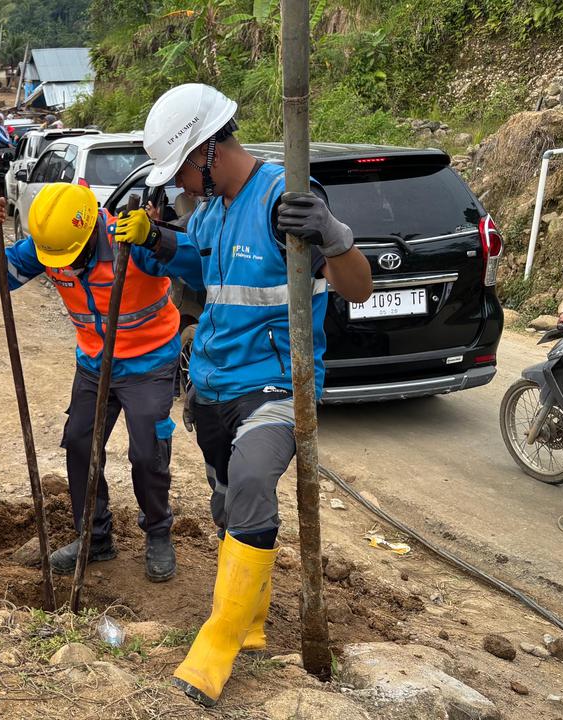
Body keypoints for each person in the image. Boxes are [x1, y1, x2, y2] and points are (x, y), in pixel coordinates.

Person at [126, 83, 372, 706]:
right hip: (211, 388)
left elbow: (359, 288)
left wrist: (334, 236)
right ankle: (254, 620)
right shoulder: (208, 212)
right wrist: (156, 242)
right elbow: (199, 264)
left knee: (253, 483)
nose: (179, 184)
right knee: (227, 505)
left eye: (182, 168)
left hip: (275, 387)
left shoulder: (283, 201)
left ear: (209, 149)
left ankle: (221, 638)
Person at [0, 183, 183, 583]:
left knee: (146, 452)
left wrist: (160, 237)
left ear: (90, 232)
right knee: (79, 443)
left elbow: (191, 262)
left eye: (75, 257)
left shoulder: (128, 239)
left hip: (150, 359)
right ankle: (94, 536)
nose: (67, 267)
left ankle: (158, 532)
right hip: (93, 362)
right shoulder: (51, 244)